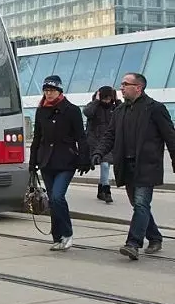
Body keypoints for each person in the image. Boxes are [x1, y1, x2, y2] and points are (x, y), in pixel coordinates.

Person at [92, 72, 175, 260]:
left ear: (138, 87)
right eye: (121, 84)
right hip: (125, 165)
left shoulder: (155, 109)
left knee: (140, 203)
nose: (121, 87)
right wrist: (98, 152)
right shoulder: (120, 111)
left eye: (125, 84)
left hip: (146, 165)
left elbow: (170, 137)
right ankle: (154, 237)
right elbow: (110, 135)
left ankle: (133, 244)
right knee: (139, 205)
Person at [29, 75, 92, 251]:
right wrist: (32, 162)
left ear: (59, 91)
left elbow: (81, 136)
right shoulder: (41, 110)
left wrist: (84, 158)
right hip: (46, 162)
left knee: (57, 197)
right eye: (46, 90)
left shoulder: (71, 110)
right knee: (52, 200)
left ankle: (67, 233)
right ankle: (57, 237)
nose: (49, 94)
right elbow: (37, 137)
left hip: (66, 161)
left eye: (52, 90)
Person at [84, 85, 119, 203]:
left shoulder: (115, 108)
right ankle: (106, 190)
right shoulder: (93, 106)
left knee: (105, 166)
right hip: (95, 141)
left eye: (109, 98)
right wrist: (96, 101)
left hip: (109, 141)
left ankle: (102, 189)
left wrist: (117, 100)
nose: (107, 101)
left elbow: (123, 113)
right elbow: (87, 113)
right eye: (105, 98)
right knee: (105, 165)